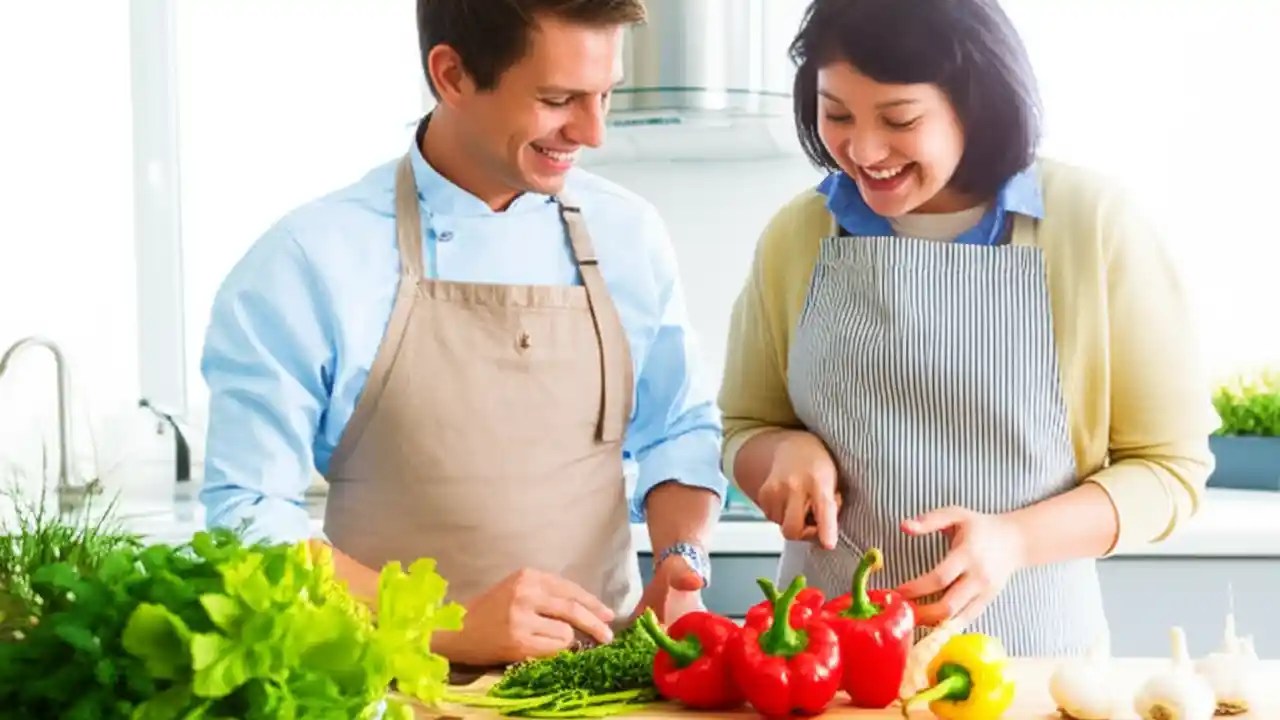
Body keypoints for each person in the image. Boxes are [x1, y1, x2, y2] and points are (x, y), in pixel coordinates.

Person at [199, 0, 728, 667]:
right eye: (558, 98)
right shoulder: (309, 260)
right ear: (450, 75)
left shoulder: (629, 233)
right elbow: (247, 521)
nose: (594, 132)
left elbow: (678, 426)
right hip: (391, 689)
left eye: (605, 95)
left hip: (600, 690)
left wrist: (682, 559)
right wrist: (442, 626)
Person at [717, 0, 1218, 657]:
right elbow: (744, 429)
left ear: (975, 105)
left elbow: (1170, 470)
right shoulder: (797, 235)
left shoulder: (1095, 225)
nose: (862, 150)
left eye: (899, 119)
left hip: (1034, 664)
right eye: (836, 113)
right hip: (820, 664)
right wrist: (781, 454)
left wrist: (1016, 539)